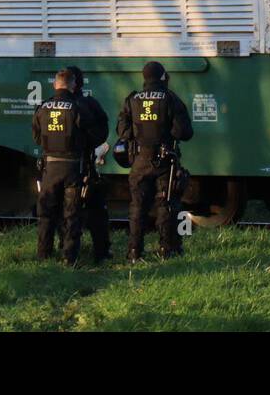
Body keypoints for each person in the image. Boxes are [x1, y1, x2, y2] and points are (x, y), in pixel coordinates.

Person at [116, 60, 193, 261]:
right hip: (165, 160)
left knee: (137, 207)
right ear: (162, 77)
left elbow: (123, 132)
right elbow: (184, 132)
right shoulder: (170, 98)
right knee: (166, 204)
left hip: (139, 161)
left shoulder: (132, 99)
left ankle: (134, 252)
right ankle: (167, 250)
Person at [31, 68, 84, 265]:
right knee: (71, 213)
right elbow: (86, 134)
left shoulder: (43, 107)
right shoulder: (77, 107)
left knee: (45, 213)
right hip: (72, 167)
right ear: (73, 85)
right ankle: (69, 257)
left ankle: (43, 255)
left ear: (55, 85)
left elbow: (36, 137)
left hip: (50, 167)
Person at [67, 65, 112, 263]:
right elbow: (102, 131)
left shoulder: (49, 104)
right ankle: (101, 252)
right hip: (85, 165)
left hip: (58, 165)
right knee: (96, 210)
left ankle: (67, 252)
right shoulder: (89, 104)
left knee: (65, 212)